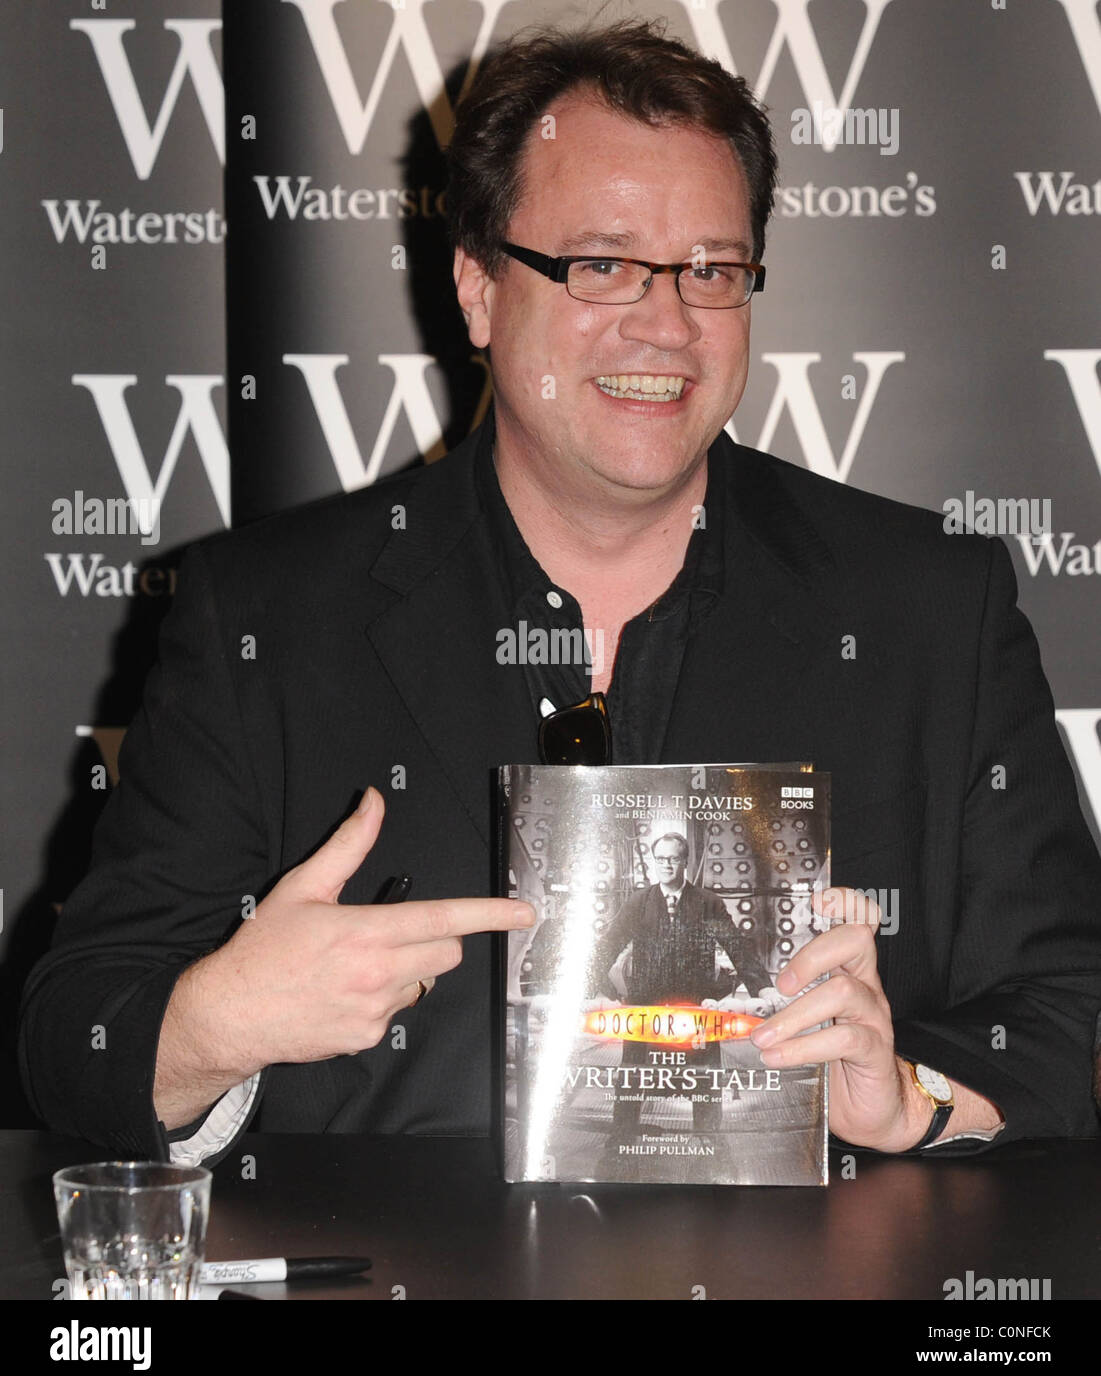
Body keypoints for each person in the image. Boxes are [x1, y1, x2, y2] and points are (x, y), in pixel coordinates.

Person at [19, 19, 1101, 1167]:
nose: (667, 320)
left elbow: (1071, 1006)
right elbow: (69, 1035)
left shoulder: (930, 606)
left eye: (713, 270)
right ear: (479, 290)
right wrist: (217, 1022)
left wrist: (910, 1095)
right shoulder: (267, 617)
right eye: (600, 263)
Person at [589, 831, 782, 1137]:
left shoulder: (708, 903)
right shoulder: (638, 902)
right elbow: (607, 947)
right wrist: (583, 991)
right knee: (632, 1073)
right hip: (644, 1003)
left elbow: (736, 947)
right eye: (660, 858)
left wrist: (763, 988)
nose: (666, 865)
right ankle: (622, 1135)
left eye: (673, 858)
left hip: (697, 1004)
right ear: (655, 861)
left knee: (704, 1076)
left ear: (685, 862)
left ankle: (709, 1138)